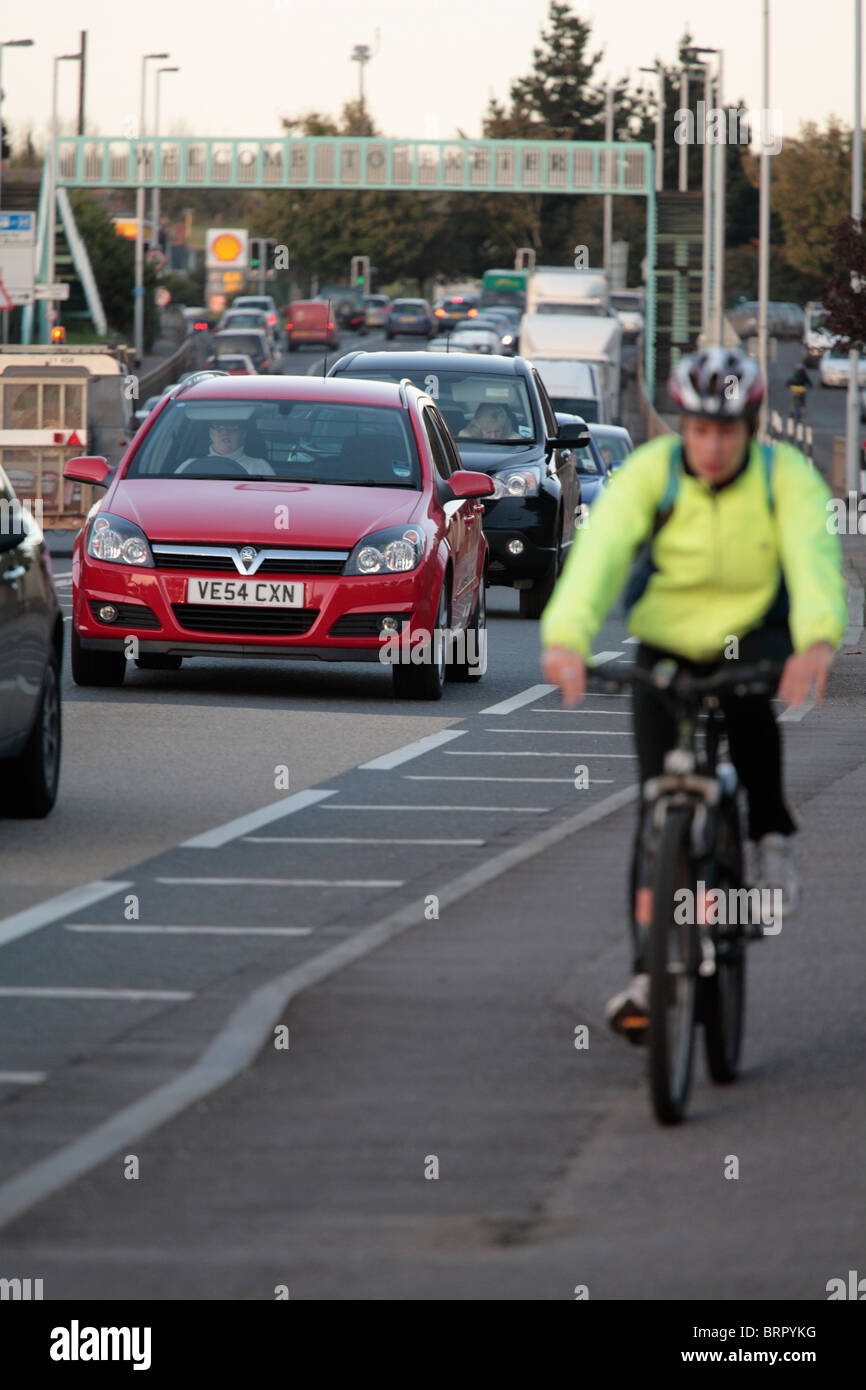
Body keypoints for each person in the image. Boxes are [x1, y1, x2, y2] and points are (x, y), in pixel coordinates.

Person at [539, 346, 847, 1040]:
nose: (710, 446)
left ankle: (771, 839)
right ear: (682, 426)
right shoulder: (652, 473)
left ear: (750, 426)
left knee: (749, 715)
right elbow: (600, 556)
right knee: (657, 809)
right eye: (698, 430)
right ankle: (649, 974)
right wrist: (566, 637)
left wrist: (817, 641)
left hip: (752, 636)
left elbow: (813, 560)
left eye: (726, 431)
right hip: (668, 642)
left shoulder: (783, 478)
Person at [177, 418, 275, 475]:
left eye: (233, 428)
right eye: (218, 428)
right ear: (210, 434)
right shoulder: (191, 465)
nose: (225, 432)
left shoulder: (260, 467)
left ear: (243, 435)